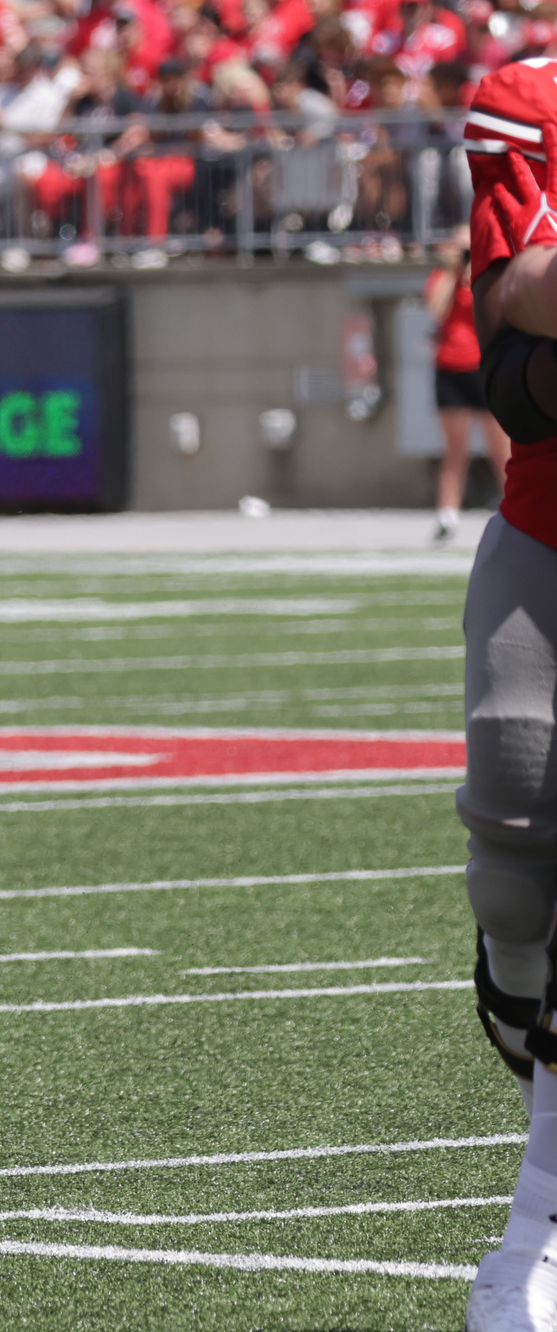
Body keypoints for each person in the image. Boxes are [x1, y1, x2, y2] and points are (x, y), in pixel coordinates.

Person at [454, 57, 557, 1332]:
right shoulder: (529, 97)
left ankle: (531, 1238)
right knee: (511, 850)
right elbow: (510, 316)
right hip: (545, 523)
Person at [428, 223, 512, 544]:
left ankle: (513, 511)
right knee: (454, 450)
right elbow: (436, 309)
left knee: (500, 449)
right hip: (450, 369)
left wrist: (474, 270)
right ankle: (447, 516)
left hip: (484, 368)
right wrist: (453, 272)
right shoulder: (443, 277)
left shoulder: (487, 277)